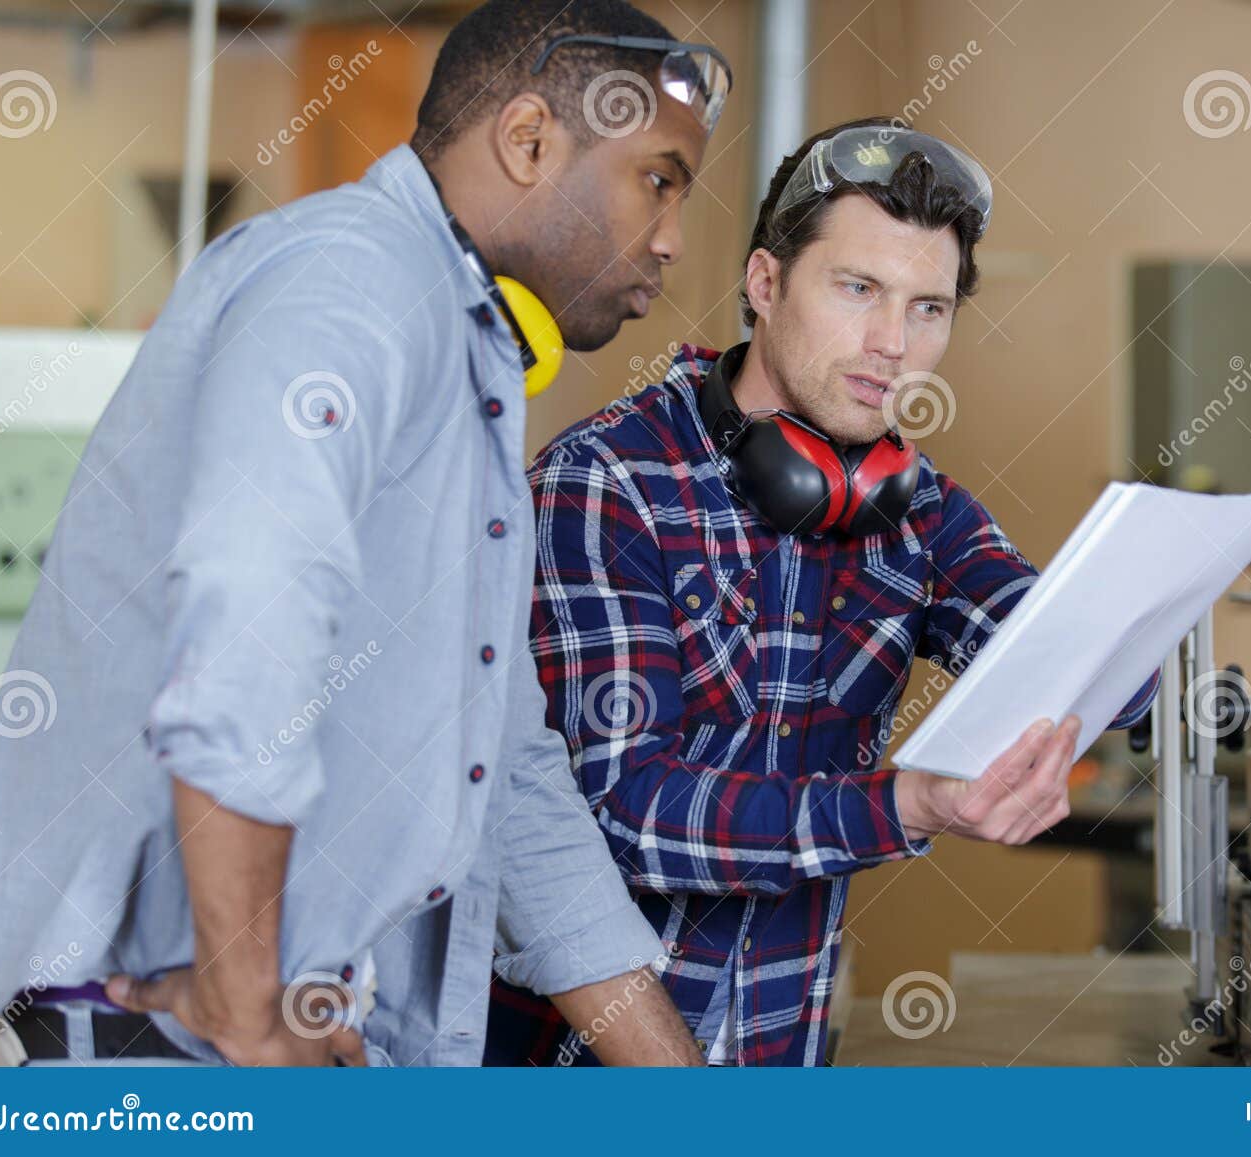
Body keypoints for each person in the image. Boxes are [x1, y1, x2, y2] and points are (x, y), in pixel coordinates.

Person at [0, 0, 730, 1068]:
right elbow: (249, 622)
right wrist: (244, 1000)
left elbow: (511, 779)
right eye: (659, 179)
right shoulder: (354, 280)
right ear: (528, 140)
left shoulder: (465, 366)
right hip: (130, 1045)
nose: (671, 238)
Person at [485, 117, 1159, 1066]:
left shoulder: (917, 508)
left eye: (928, 308)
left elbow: (1097, 672)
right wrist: (906, 803)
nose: (893, 343)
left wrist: (1130, 622)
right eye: (858, 289)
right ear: (765, 283)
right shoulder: (607, 482)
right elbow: (630, 814)